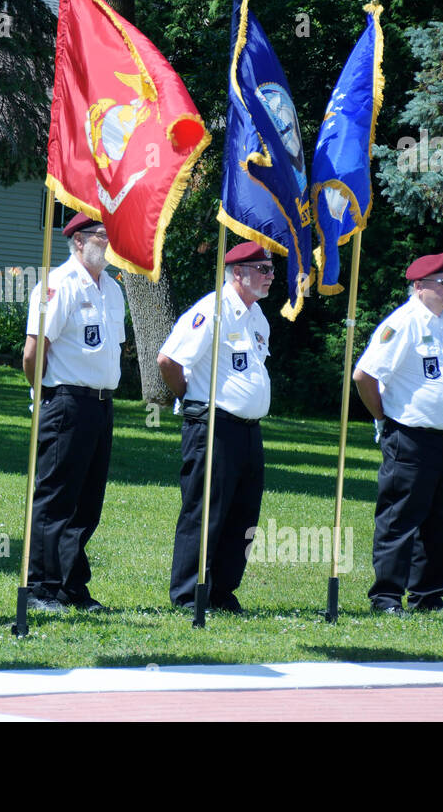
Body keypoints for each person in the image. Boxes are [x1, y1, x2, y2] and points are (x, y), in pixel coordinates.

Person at [157, 240, 273, 615]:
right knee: (206, 510)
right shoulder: (213, 310)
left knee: (243, 514)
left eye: (271, 269)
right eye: (263, 269)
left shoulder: (257, 318)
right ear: (237, 273)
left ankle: (222, 590)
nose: (270, 276)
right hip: (214, 426)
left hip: (248, 431)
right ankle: (190, 594)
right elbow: (168, 360)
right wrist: (191, 399)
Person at [352, 252, 443, 615]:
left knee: (439, 519)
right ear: (419, 287)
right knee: (399, 517)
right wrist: (384, 418)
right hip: (410, 437)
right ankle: (386, 598)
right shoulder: (402, 324)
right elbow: (364, 375)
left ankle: (428, 596)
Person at [23, 212, 126, 613]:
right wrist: (44, 395)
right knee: (55, 498)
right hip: (66, 401)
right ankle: (39, 588)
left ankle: (69, 585)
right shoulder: (58, 285)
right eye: (101, 235)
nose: (108, 241)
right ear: (78, 241)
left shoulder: (112, 290)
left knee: (87, 501)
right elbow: (33, 352)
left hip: (101, 404)